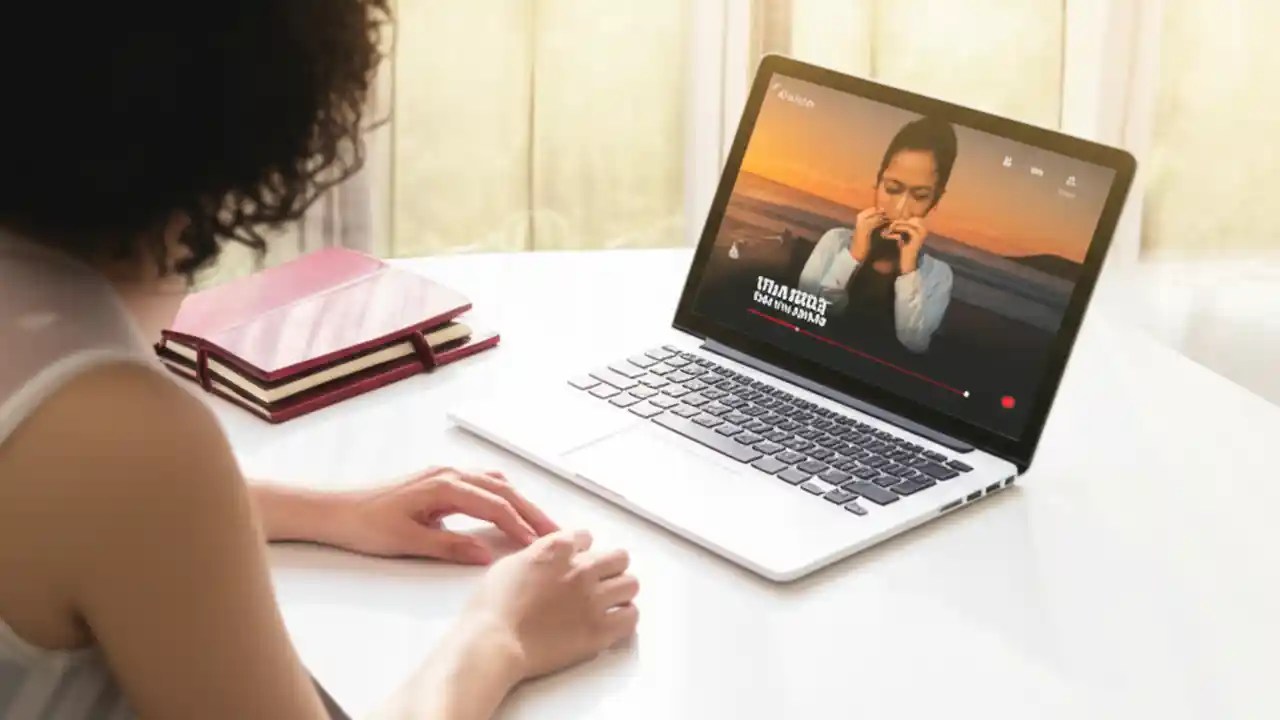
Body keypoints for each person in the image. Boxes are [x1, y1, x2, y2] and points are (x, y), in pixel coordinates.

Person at [0, 3, 638, 719]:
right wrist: (500, 635)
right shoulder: (125, 434)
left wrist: (337, 511)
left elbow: (82, 514)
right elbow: (119, 490)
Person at [797, 116, 958, 353]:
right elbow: (807, 314)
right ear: (878, 181)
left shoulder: (937, 275)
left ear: (936, 200)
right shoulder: (835, 241)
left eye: (920, 195)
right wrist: (852, 256)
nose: (900, 210)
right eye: (892, 188)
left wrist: (908, 270)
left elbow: (914, 343)